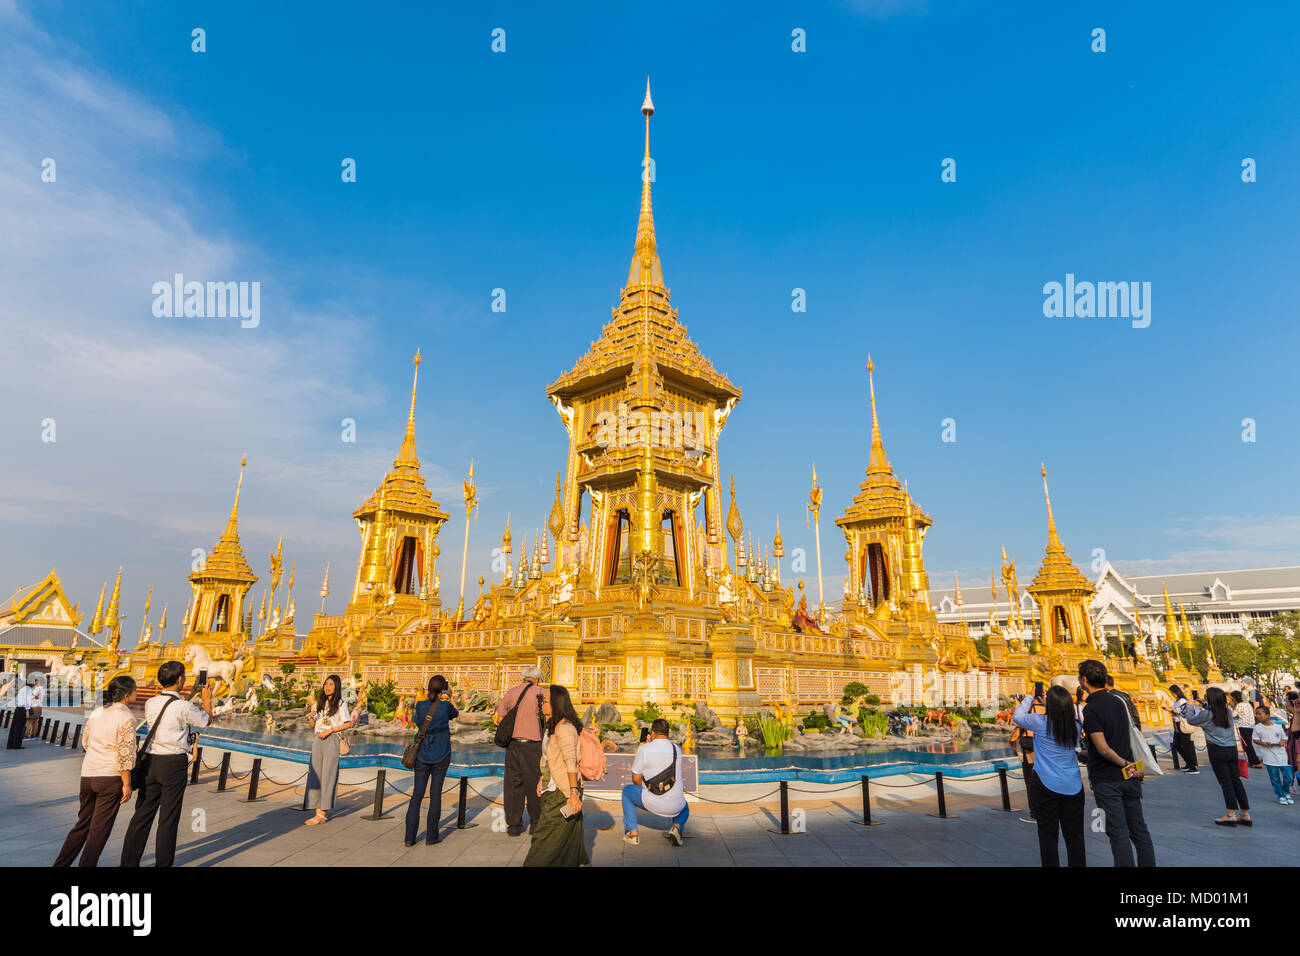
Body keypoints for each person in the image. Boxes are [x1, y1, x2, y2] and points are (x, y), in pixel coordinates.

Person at [120, 661, 212, 867]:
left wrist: (192, 693)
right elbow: (206, 720)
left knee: (142, 815)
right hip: (173, 764)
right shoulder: (184, 707)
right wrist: (206, 699)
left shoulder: (151, 702)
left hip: (151, 762)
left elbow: (174, 707)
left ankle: (128, 863)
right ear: (180, 680)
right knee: (168, 818)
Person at [54, 676, 138, 867]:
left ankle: (60, 864)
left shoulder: (97, 712)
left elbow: (85, 741)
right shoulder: (127, 717)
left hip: (88, 774)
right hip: (110, 777)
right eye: (135, 690)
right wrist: (127, 783)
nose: (137, 693)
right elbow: (125, 754)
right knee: (99, 830)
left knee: (82, 825)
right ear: (126, 695)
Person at [1080, 659, 1155, 867]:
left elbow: (1103, 748)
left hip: (1108, 777)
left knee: (1118, 833)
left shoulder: (1091, 709)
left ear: (1084, 680)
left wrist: (1122, 763)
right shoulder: (1118, 701)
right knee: (1139, 829)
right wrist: (1133, 767)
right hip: (1130, 774)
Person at [1013, 685, 1085, 867]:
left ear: (1049, 704)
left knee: (1047, 836)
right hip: (1073, 786)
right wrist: (1050, 704)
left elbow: (1017, 716)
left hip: (1045, 785)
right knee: (1075, 836)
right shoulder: (1075, 726)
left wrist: (1030, 697)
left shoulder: (1040, 722)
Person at [522, 684, 588, 867]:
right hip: (552, 786)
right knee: (568, 836)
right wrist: (541, 779)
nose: (541, 704)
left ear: (556, 703)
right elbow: (550, 758)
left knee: (543, 838)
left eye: (545, 700)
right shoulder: (554, 726)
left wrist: (573, 793)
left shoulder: (565, 728)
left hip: (564, 791)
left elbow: (570, 761)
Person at [1175, 687, 1251, 827]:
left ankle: (1230, 814)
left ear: (1210, 700)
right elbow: (1213, 709)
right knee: (1236, 781)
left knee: (1226, 782)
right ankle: (1245, 813)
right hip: (1232, 750)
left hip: (1217, 750)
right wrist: (1203, 704)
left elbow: (1189, 718)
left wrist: (1190, 705)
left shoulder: (1207, 715)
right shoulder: (1227, 711)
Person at [404, 674, 459, 846]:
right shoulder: (445, 706)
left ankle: (409, 838)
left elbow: (416, 721)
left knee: (417, 795)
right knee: (436, 795)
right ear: (443, 688)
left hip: (422, 754)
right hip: (441, 753)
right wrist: (449, 694)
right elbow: (456, 713)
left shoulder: (420, 705)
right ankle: (432, 836)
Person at [622, 717, 688, 847]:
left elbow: (636, 778)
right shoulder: (677, 750)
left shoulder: (644, 749)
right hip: (676, 805)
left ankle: (632, 833)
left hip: (651, 802)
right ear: (669, 732)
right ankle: (677, 826)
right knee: (685, 807)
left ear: (652, 733)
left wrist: (646, 746)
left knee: (627, 792)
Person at [495, 666, 545, 837]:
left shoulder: (511, 692)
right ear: (537, 679)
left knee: (513, 784)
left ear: (523, 678)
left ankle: (514, 826)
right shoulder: (542, 693)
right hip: (534, 746)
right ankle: (536, 824)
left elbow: (500, 718)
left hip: (514, 744)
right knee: (535, 783)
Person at [304, 673, 358, 825]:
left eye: (331, 685)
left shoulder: (340, 703)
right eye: (326, 684)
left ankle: (322, 814)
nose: (327, 687)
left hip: (331, 740)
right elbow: (312, 726)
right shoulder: (319, 704)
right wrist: (311, 717)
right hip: (317, 740)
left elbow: (348, 724)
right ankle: (316, 810)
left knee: (328, 775)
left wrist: (331, 730)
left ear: (336, 687)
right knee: (315, 774)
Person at [1251, 705, 1293, 805]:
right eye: (1256, 714)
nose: (1257, 716)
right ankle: (1280, 795)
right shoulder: (1257, 728)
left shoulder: (1277, 727)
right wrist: (1264, 743)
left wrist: (1282, 742)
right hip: (1269, 757)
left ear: (1267, 715)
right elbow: (1255, 740)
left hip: (1282, 756)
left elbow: (1284, 738)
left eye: (1259, 714)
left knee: (1289, 776)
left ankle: (1286, 791)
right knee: (1275, 778)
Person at [1016, 691, 1047, 823]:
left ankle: (1035, 813)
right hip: (1044, 751)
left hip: (1029, 751)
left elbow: (1017, 717)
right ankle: (1046, 811)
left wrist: (1027, 698)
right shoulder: (1049, 712)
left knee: (1031, 782)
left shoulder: (1030, 714)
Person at [1168, 684, 1199, 774]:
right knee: (1176, 745)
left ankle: (1193, 766)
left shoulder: (1182, 700)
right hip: (1177, 725)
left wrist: (1170, 710)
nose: (1172, 694)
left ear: (1176, 692)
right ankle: (1189, 763)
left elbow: (1181, 712)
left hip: (1183, 724)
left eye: (1173, 693)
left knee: (1186, 746)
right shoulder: (1176, 701)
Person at [1231, 690, 1260, 768]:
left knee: (1247, 745)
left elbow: (1233, 715)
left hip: (1244, 727)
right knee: (1249, 744)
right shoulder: (1248, 704)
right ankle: (1253, 761)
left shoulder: (1239, 705)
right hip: (1251, 726)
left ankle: (1255, 761)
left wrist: (1232, 706)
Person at [7, 676, 33, 750]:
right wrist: (27, 711)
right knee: (20, 728)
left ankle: (11, 744)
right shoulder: (28, 689)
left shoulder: (22, 689)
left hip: (18, 709)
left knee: (14, 727)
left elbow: (17, 699)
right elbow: (27, 701)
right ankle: (17, 745)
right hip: (23, 710)